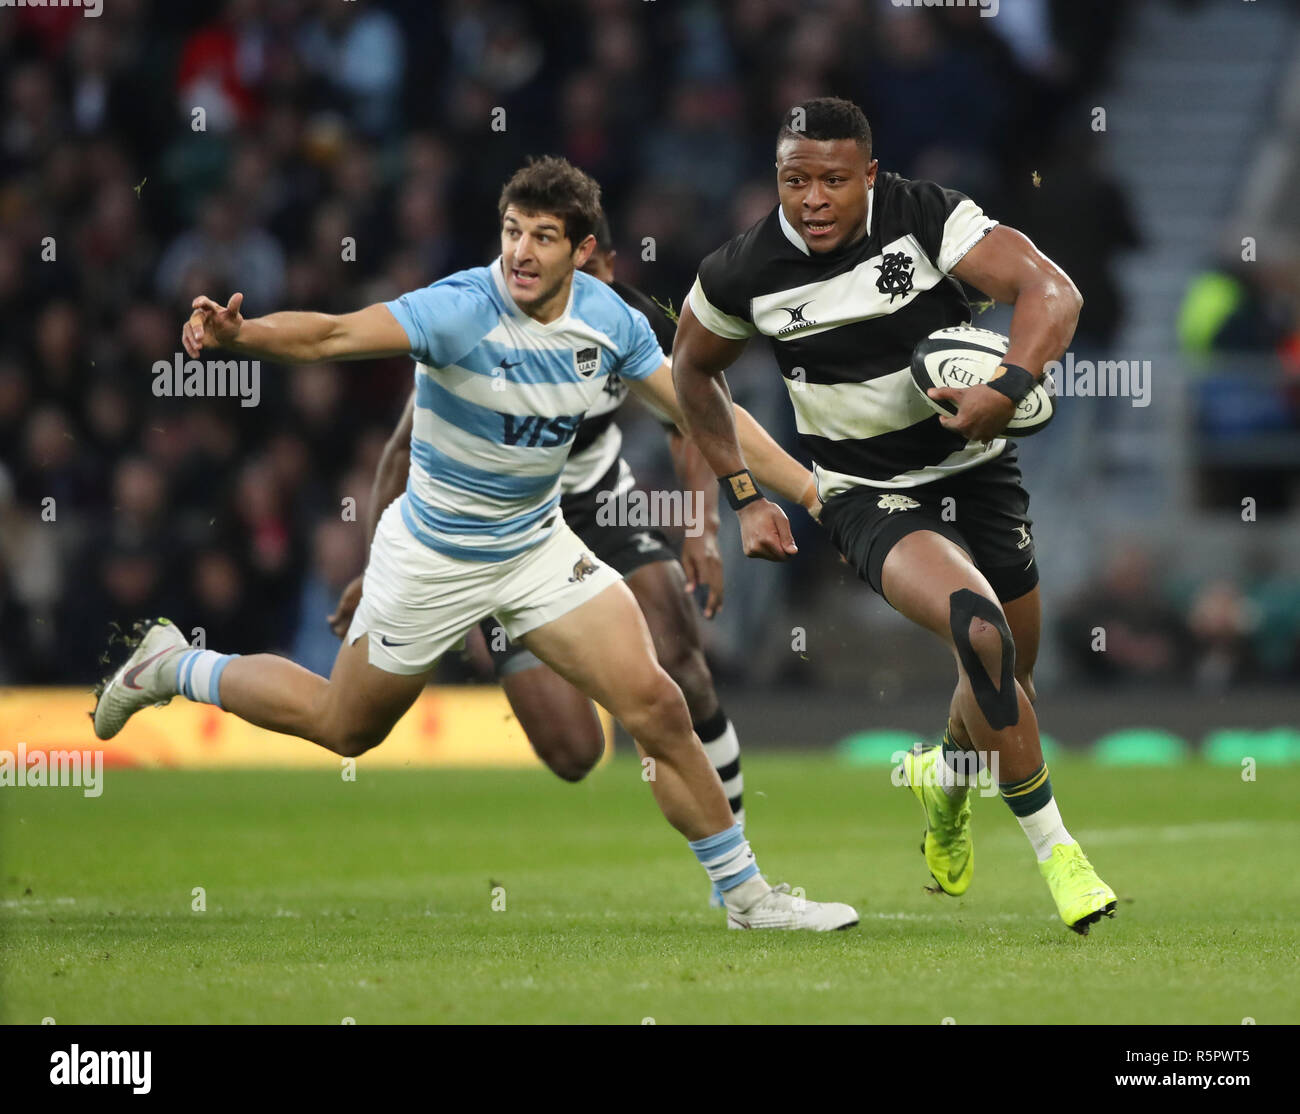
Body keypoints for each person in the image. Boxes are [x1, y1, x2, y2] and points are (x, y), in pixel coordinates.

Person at [92, 155, 856, 932]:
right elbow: (330, 335)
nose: (521, 252)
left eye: (544, 237)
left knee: (657, 701)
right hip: (433, 559)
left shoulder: (612, 321)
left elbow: (707, 414)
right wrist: (242, 334)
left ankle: (747, 897)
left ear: (582, 250)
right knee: (343, 725)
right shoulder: (461, 308)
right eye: (512, 232)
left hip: (534, 548)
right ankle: (174, 663)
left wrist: (807, 492)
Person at [671, 98, 1116, 934]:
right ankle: (1063, 858)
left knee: (1007, 675)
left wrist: (1007, 388)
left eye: (833, 180)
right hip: (865, 495)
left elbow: (1051, 291)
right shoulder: (742, 271)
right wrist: (742, 494)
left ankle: (946, 783)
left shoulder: (929, 218)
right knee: (980, 634)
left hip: (980, 470)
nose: (811, 198)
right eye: (793, 179)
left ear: (869, 175)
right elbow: (691, 374)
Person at [326, 215, 782, 909]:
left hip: (600, 506)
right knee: (573, 754)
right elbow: (398, 454)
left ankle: (735, 866)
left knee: (681, 666)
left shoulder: (624, 321)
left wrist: (701, 529)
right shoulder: (480, 326)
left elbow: (688, 418)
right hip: (502, 533)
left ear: (599, 259)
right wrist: (373, 568)